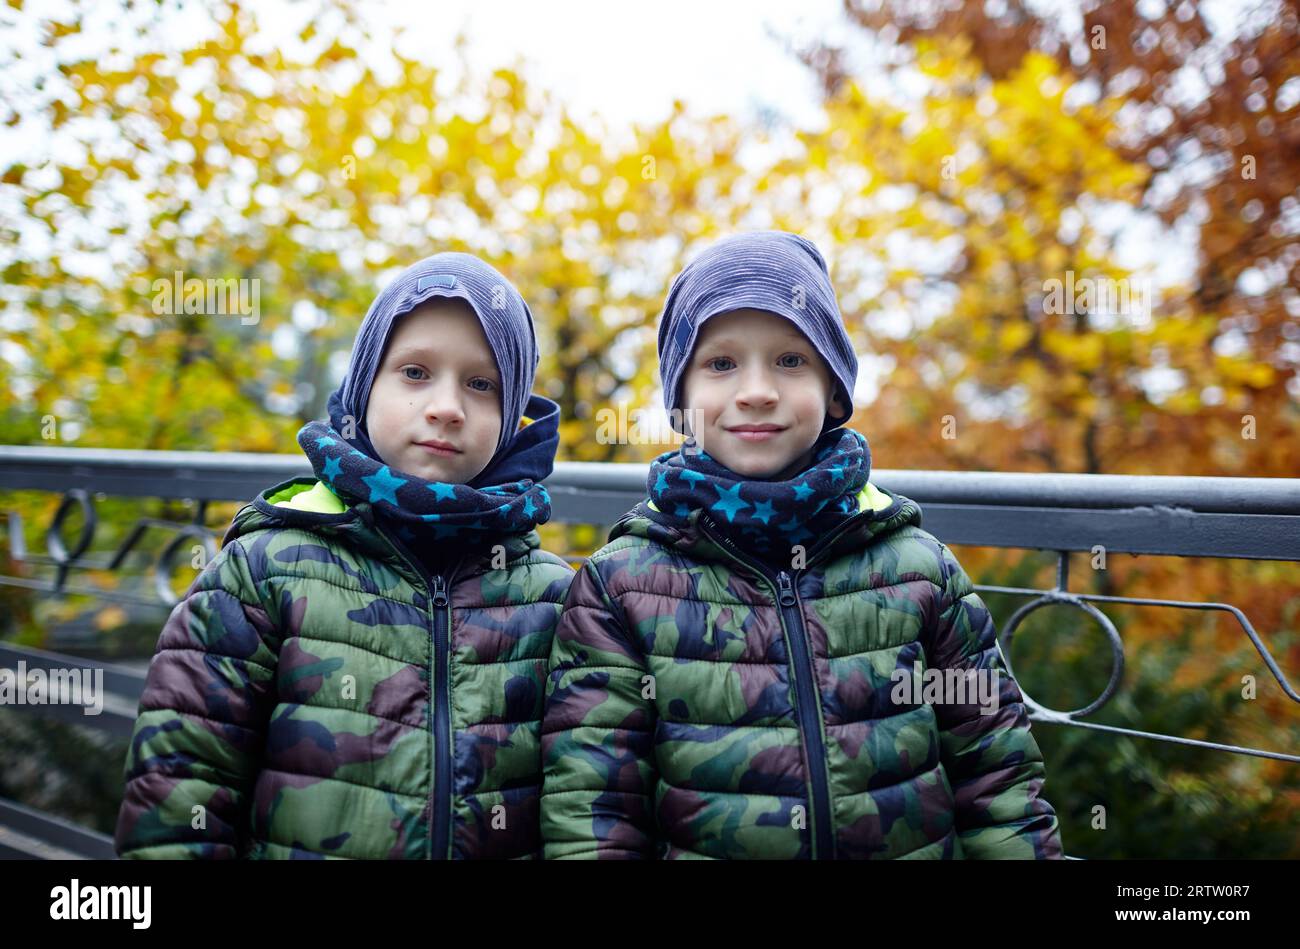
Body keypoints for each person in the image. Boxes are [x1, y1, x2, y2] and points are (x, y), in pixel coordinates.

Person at [540, 230, 1063, 859]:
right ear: (680, 402)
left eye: (790, 360)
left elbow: (999, 778)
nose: (757, 390)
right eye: (721, 363)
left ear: (835, 390)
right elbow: (595, 812)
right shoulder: (621, 585)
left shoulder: (919, 569)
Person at [115, 252, 574, 859]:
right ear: (364, 388)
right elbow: (180, 794)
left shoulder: (553, 595)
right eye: (414, 372)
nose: (446, 406)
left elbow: (582, 800)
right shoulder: (264, 570)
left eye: (481, 383)